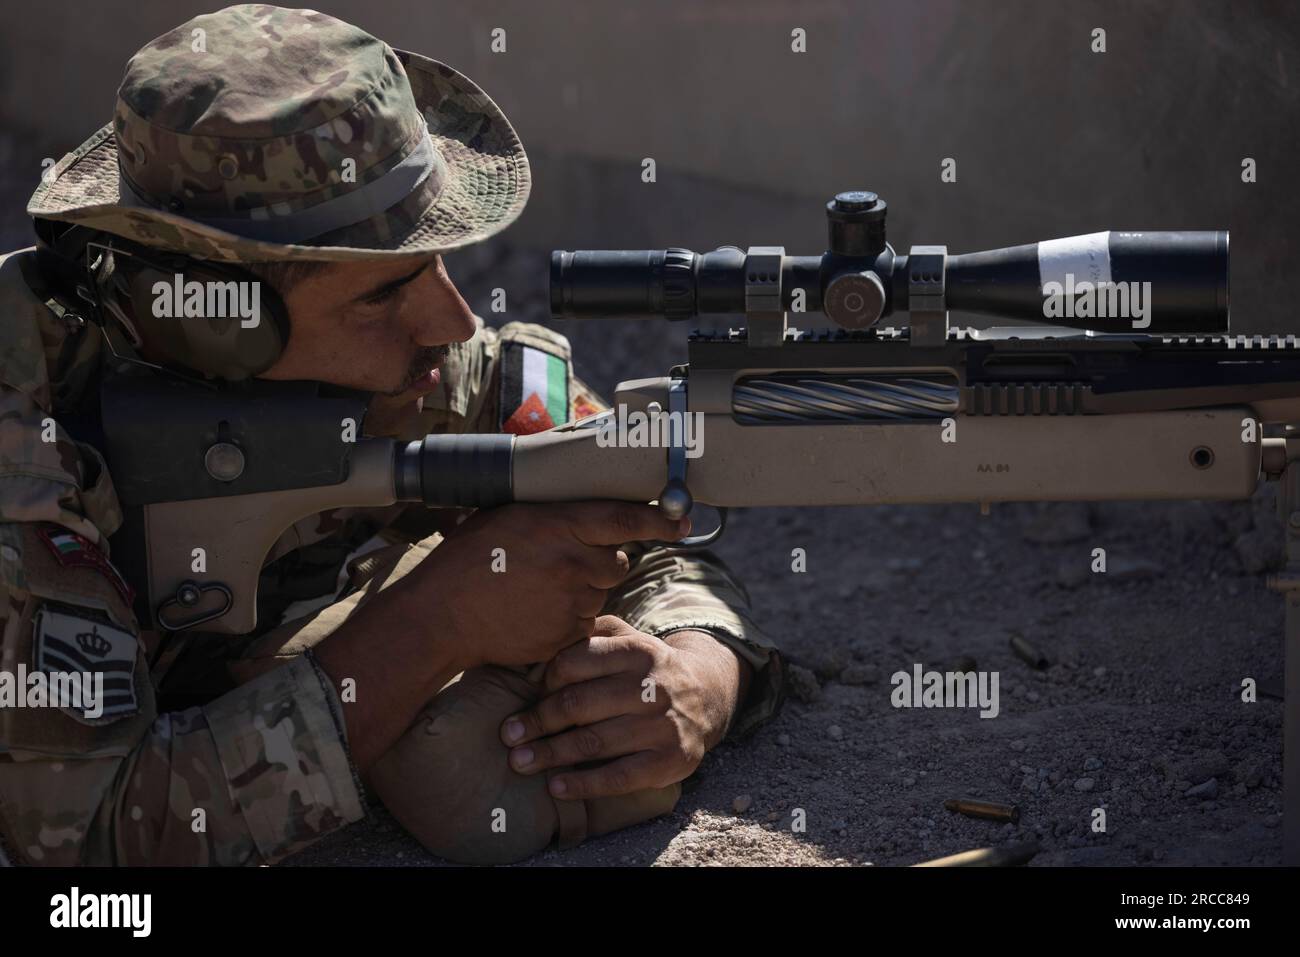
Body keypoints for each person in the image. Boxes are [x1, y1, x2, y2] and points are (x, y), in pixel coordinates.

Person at [0, 4, 782, 865]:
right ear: (218, 324)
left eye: (435, 263)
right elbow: (88, 845)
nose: (449, 321)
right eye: (380, 294)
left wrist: (700, 676)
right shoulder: (28, 445)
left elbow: (652, 513)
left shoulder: (418, 367)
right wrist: (432, 624)